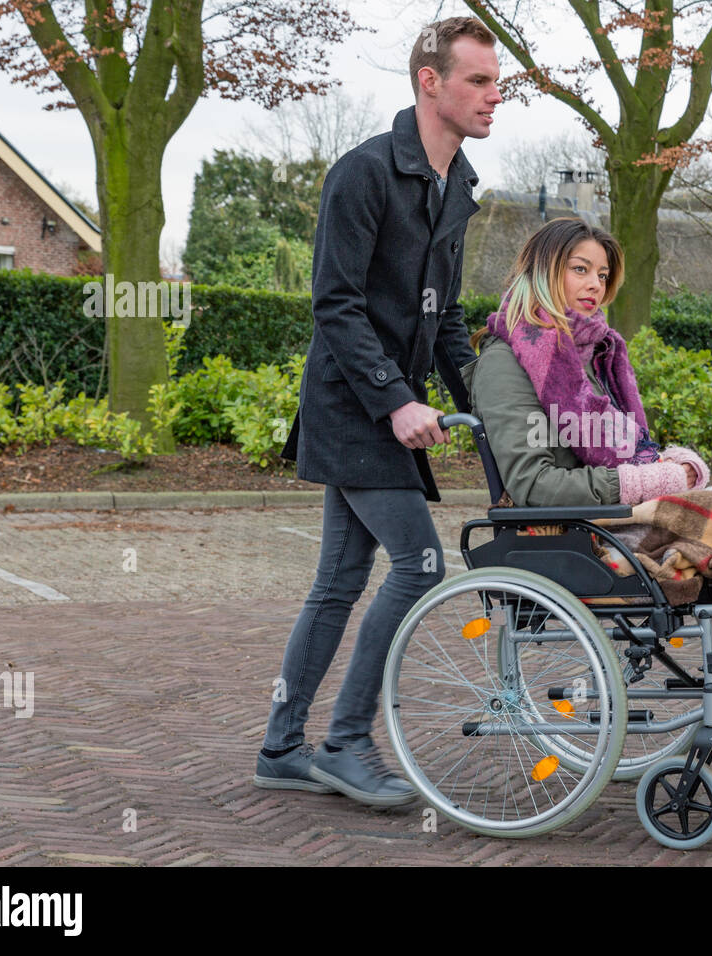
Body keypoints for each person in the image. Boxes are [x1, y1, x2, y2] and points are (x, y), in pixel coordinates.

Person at [459, 217, 712, 778]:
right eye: (579, 269)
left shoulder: (593, 355)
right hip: (575, 529)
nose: (594, 285)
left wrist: (666, 466)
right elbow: (535, 486)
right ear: (542, 270)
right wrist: (653, 480)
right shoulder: (505, 362)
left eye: (602, 274)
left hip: (619, 515)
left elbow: (626, 450)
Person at [253, 17, 502, 806]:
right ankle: (348, 741)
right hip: (350, 407)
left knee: (337, 580)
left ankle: (281, 747)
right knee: (419, 564)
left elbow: (448, 313)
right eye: (479, 82)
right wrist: (396, 400)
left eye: (498, 84)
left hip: (388, 410)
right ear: (431, 82)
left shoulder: (457, 183)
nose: (494, 97)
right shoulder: (362, 173)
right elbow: (336, 303)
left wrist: (492, 399)